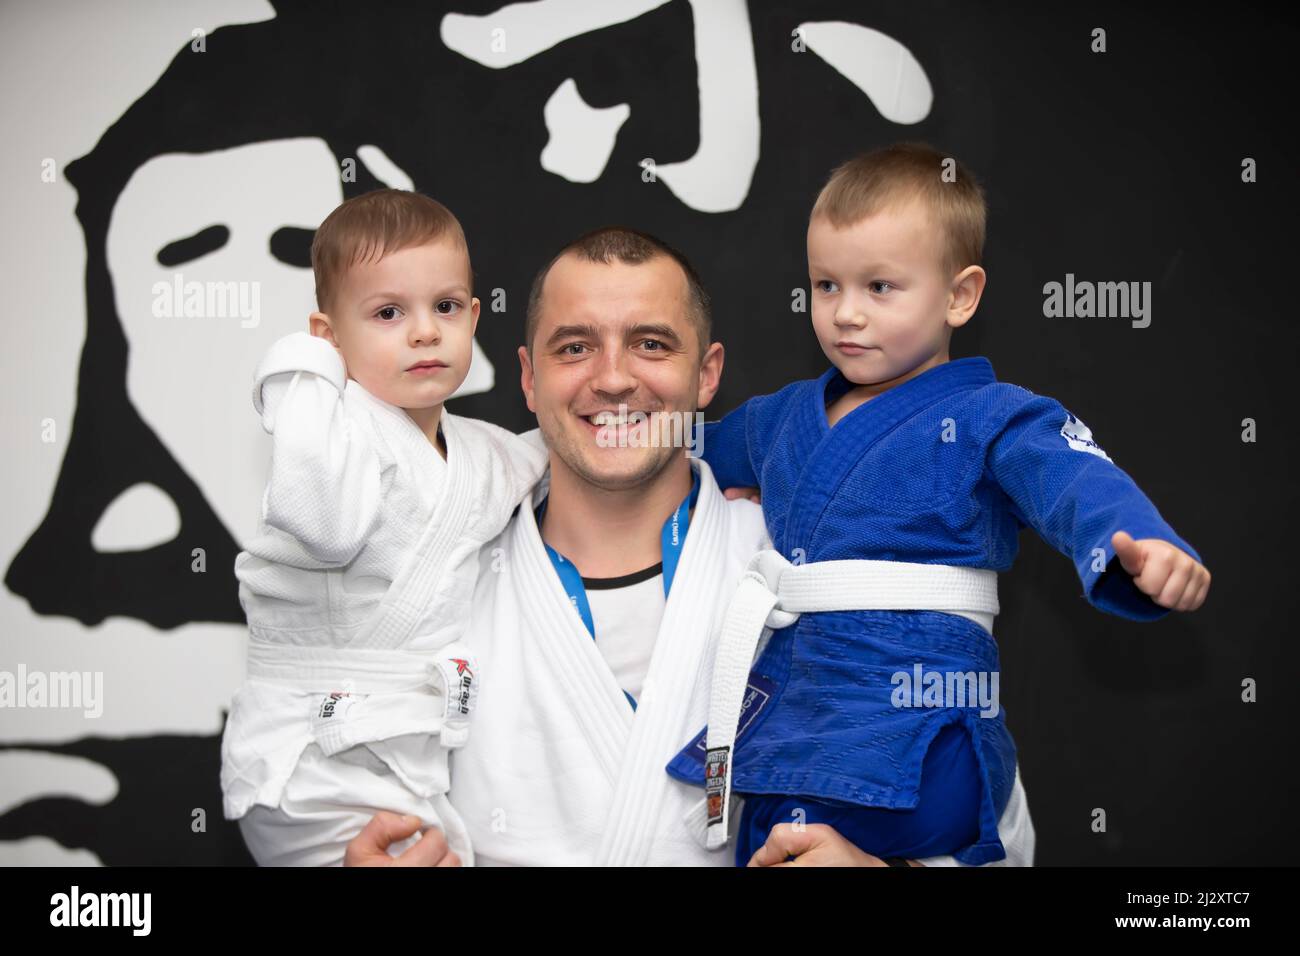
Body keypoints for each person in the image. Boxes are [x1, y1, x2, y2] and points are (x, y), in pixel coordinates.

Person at [328, 227, 1036, 867]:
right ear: (528, 377)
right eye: (574, 347)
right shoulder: (438, 578)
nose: (612, 378)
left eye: (652, 344)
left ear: (707, 374)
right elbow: (316, 798)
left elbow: (998, 827)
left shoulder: (805, 573)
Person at [664, 142, 1211, 867]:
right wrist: (606, 435)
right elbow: (677, 453)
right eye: (826, 286)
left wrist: (1134, 539)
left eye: (880, 287)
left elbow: (1073, 480)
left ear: (960, 294)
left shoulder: (995, 417)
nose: (845, 314)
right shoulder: (780, 420)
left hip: (921, 715)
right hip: (795, 723)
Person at [220, 189, 547, 866]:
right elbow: (328, 529)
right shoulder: (330, 435)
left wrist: (703, 459)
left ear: (475, 316)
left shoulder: (483, 452)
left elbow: (559, 457)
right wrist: (301, 374)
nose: (425, 331)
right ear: (330, 333)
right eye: (389, 312)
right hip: (307, 755)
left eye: (446, 307)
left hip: (409, 750)